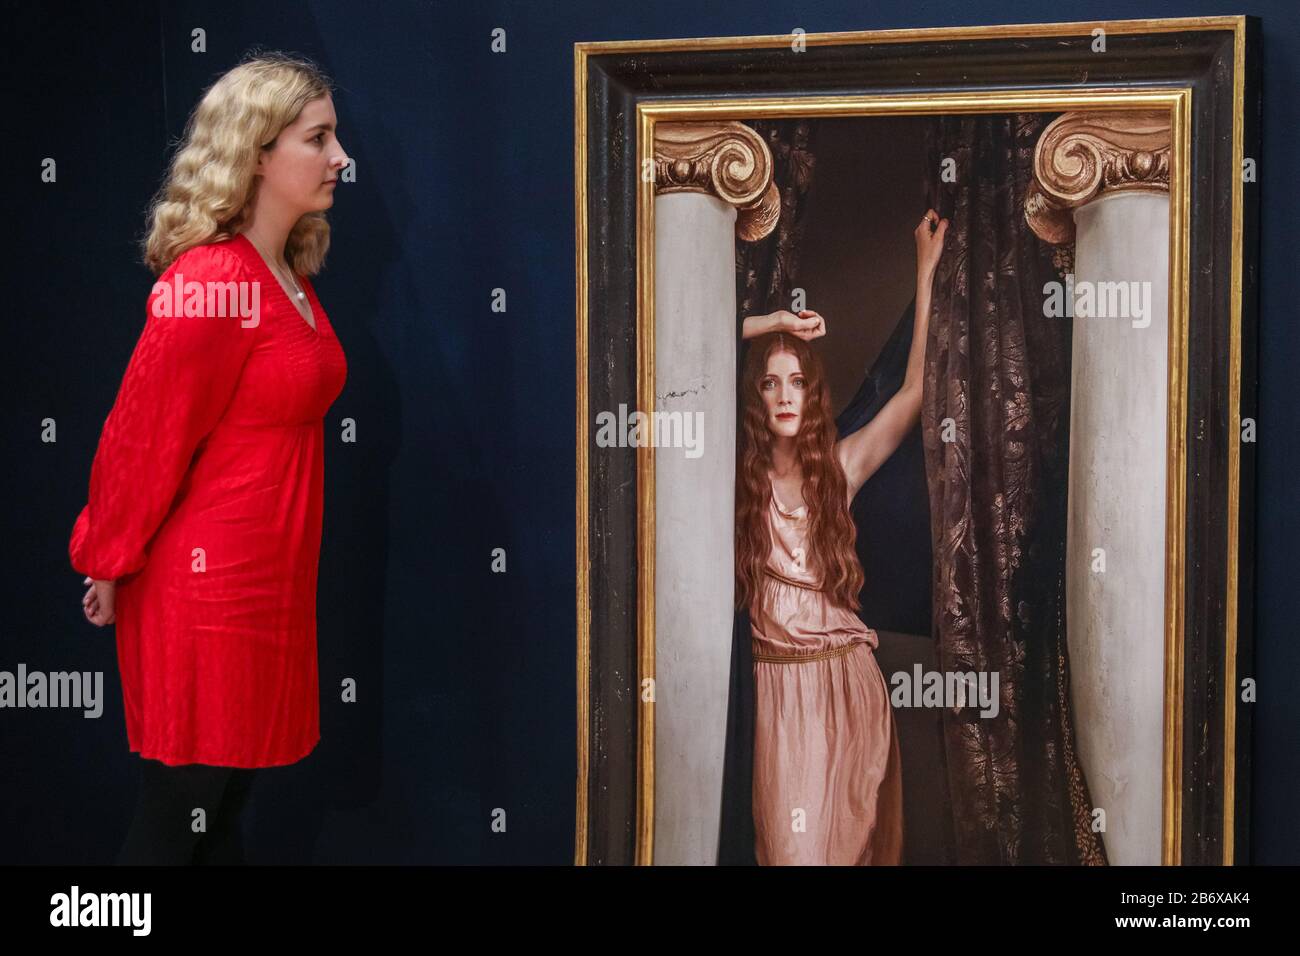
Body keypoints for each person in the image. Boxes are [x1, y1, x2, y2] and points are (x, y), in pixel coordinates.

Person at [69, 52, 351, 864]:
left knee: (216, 824)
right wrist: (109, 557)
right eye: (319, 137)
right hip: (206, 599)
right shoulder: (213, 281)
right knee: (174, 828)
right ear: (258, 152)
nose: (340, 157)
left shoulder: (287, 271)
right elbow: (142, 434)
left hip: (267, 593)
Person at [736, 208, 948, 865]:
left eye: (797, 381)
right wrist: (771, 324)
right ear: (753, 398)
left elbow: (914, 392)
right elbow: (665, 346)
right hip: (778, 693)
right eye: (770, 383)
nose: (785, 395)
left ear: (814, 394)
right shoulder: (729, 484)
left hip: (851, 687)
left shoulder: (842, 469)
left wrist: (926, 268)